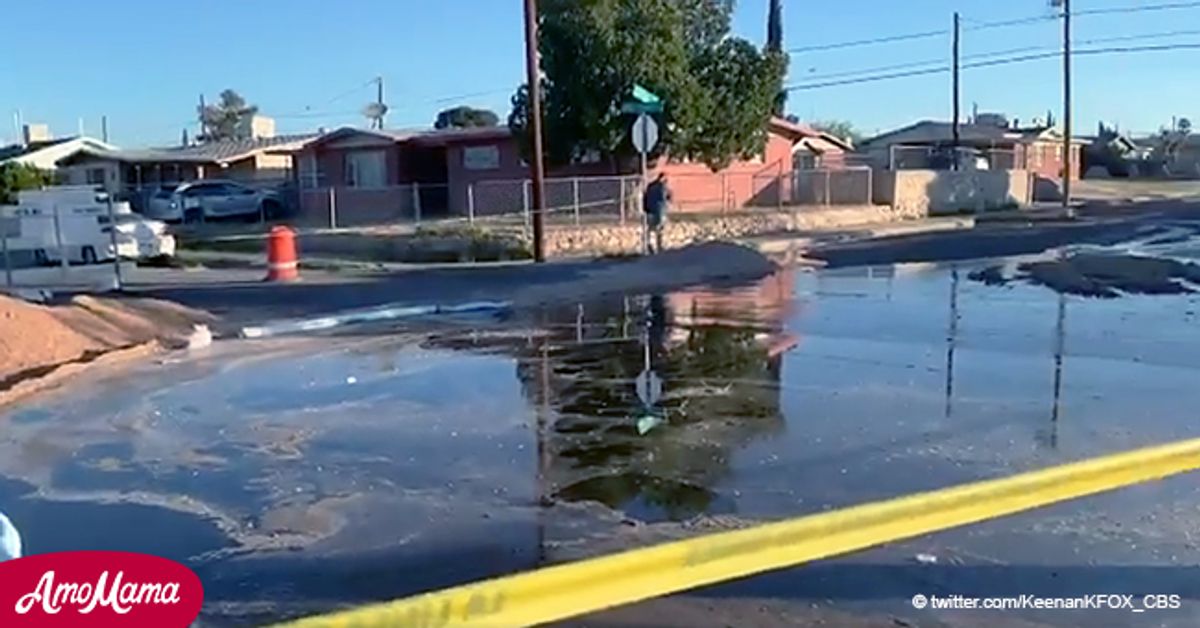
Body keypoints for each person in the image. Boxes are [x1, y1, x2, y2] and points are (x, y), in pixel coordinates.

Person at [642, 173, 671, 254]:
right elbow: (666, 197)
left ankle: (649, 244)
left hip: (650, 210)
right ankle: (659, 246)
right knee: (659, 229)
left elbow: (645, 197)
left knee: (650, 228)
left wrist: (645, 208)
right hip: (660, 210)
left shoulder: (650, 186)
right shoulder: (663, 187)